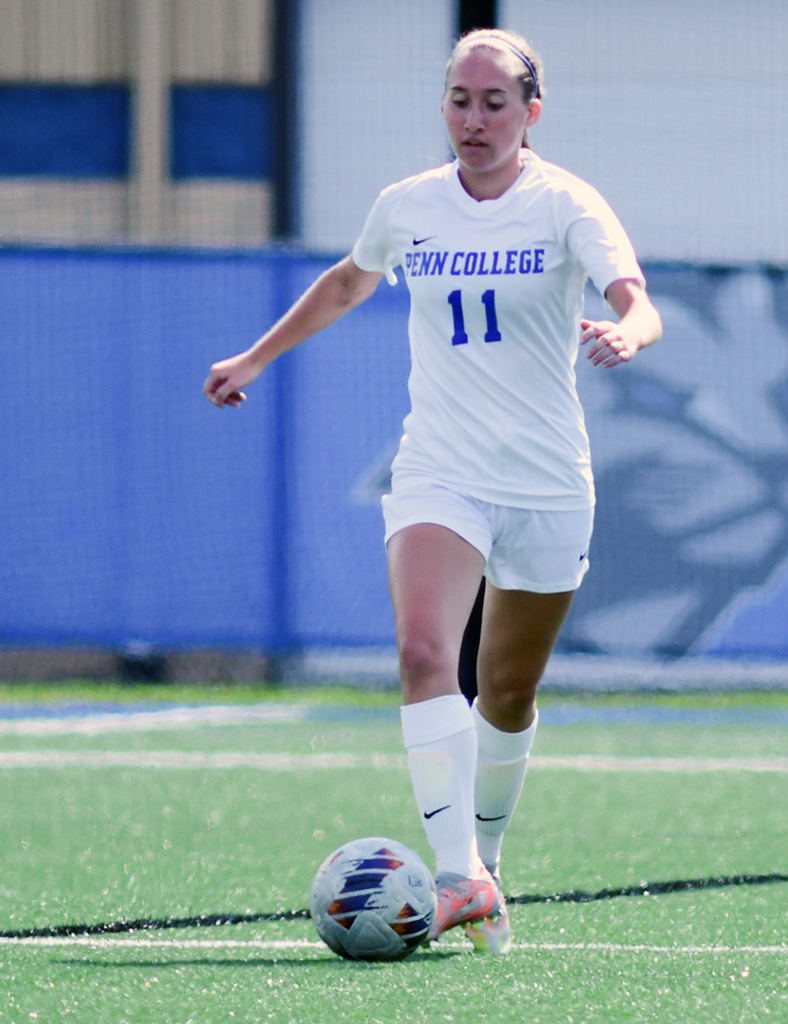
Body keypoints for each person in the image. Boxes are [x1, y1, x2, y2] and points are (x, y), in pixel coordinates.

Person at [204, 28, 661, 953]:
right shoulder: (408, 205)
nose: (474, 118)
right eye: (460, 99)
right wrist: (254, 354)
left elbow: (633, 295)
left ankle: (485, 865)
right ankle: (455, 876)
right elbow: (346, 282)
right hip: (439, 471)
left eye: (495, 102)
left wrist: (632, 332)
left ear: (532, 112)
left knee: (507, 692)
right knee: (422, 653)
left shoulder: (565, 203)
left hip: (545, 483)